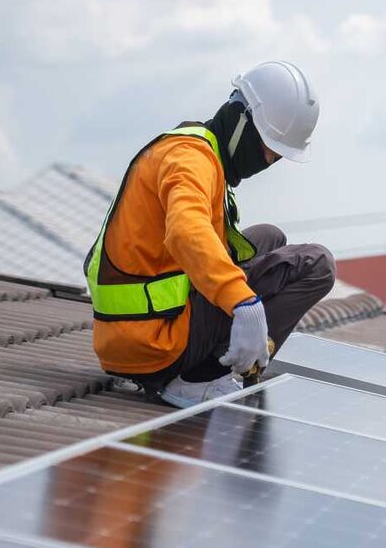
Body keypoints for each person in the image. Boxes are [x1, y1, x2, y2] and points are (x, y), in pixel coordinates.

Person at [85, 61, 335, 408]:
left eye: (276, 158)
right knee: (318, 264)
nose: (266, 162)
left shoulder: (203, 154)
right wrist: (243, 302)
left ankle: (232, 362)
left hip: (133, 334)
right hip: (156, 342)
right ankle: (199, 378)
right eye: (266, 149)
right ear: (240, 121)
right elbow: (187, 230)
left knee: (270, 238)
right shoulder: (191, 158)